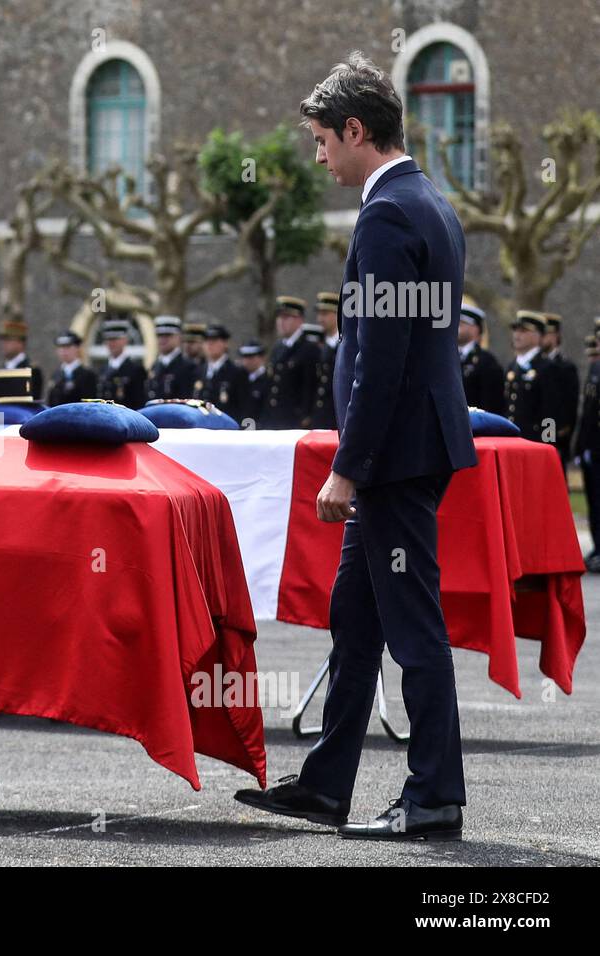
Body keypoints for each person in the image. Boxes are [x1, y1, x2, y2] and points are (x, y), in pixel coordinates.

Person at [236, 52, 476, 842]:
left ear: (354, 129)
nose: (317, 154)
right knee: (356, 616)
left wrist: (348, 467)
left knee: (412, 630)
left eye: (320, 139)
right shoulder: (430, 202)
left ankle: (434, 794)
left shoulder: (386, 214)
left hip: (392, 461)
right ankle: (327, 784)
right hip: (414, 448)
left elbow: (382, 356)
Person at [504, 311, 564, 444]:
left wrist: (548, 445)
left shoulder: (547, 367)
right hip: (511, 439)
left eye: (524, 330)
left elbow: (551, 412)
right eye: (515, 330)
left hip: (534, 442)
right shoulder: (512, 366)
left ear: (538, 335)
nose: (517, 335)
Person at [264, 296, 319, 428]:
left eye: (286, 318)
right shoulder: (278, 347)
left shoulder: (309, 349)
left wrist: (305, 416)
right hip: (274, 418)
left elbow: (310, 386)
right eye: (279, 318)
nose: (281, 322)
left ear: (299, 320)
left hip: (295, 419)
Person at [574, 332, 600, 573]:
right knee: (595, 501)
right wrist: (581, 446)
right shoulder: (595, 370)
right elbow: (588, 413)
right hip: (593, 446)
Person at [543, 313, 580, 469]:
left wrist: (553, 436)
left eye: (547, 333)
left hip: (554, 432)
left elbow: (568, 404)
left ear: (556, 335)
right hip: (539, 429)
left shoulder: (565, 367)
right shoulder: (538, 365)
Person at [457, 300, 505, 415]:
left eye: (461, 323)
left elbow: (492, 404)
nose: (456, 327)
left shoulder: (486, 361)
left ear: (475, 329)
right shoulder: (450, 358)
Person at [193, 323, 247, 421]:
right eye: (206, 340)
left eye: (214, 340)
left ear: (225, 343)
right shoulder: (198, 371)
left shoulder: (236, 372)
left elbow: (243, 407)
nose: (210, 344)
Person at [96, 315, 147, 409]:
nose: (111, 343)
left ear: (125, 340)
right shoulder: (102, 370)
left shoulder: (135, 369)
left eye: (115, 339)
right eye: (109, 340)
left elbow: (139, 402)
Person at [146, 314, 198, 401]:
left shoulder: (188, 366)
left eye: (167, 335)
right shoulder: (155, 367)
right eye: (160, 336)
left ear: (178, 337)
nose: (162, 340)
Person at [309, 291, 341, 429]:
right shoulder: (321, 347)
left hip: (336, 415)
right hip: (320, 416)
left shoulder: (343, 345)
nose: (320, 319)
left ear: (336, 315)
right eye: (319, 314)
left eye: (325, 314)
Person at [46, 331, 98, 405]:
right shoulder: (56, 374)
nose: (63, 351)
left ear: (77, 348)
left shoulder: (88, 375)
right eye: (61, 347)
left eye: (68, 347)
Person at [0, 319, 45, 402]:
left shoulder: (32, 370)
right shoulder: (0, 369)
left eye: (8, 340)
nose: (4, 344)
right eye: (3, 340)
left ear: (20, 343)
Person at [237, 339, 270, 428]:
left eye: (251, 357)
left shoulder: (268, 379)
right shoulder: (240, 378)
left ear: (262, 357)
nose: (247, 361)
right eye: (244, 357)